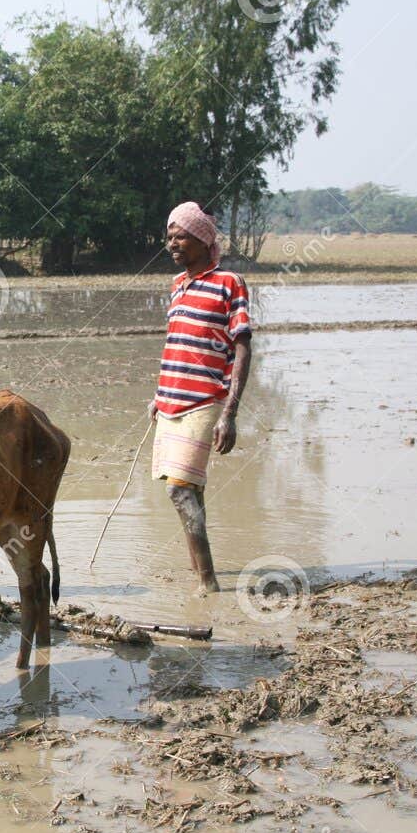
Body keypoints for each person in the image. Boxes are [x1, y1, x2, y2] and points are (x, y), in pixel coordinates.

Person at [147, 201, 253, 593]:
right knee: (190, 489)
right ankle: (199, 570)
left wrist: (231, 413)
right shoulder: (177, 286)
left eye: (181, 237)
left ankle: (208, 583)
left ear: (203, 240)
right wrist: (158, 396)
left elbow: (242, 347)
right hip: (171, 401)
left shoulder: (229, 283)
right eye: (169, 237)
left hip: (205, 401)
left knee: (179, 489)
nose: (173, 244)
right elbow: (176, 344)